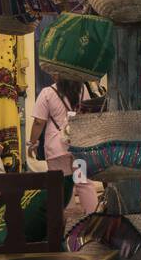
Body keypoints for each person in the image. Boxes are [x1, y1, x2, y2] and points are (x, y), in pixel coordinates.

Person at [29, 79, 98, 214]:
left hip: (57, 149)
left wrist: (32, 142)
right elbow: (89, 116)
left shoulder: (48, 92)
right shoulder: (82, 89)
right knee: (83, 182)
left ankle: (66, 224)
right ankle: (93, 220)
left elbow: (38, 122)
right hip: (79, 146)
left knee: (61, 186)